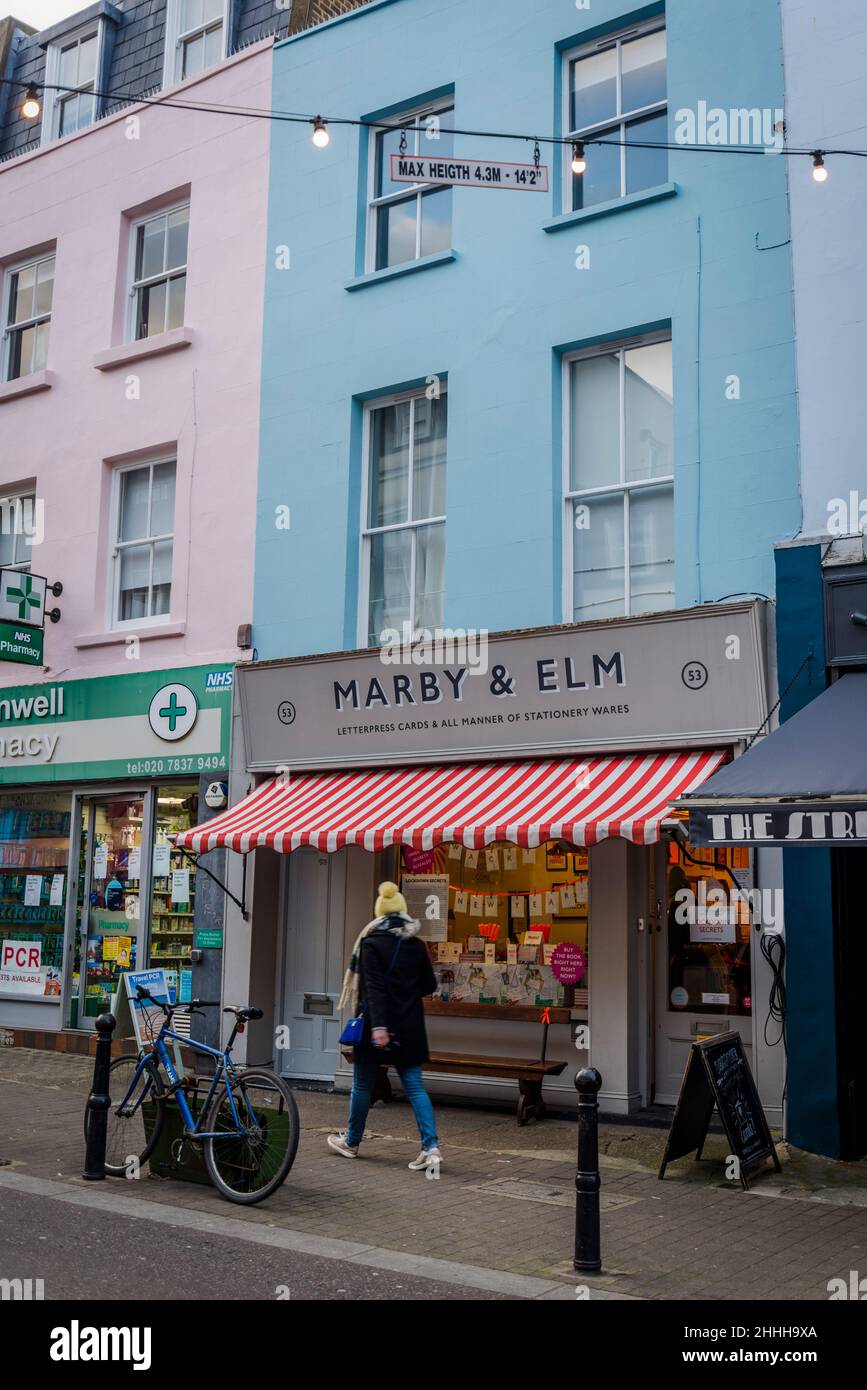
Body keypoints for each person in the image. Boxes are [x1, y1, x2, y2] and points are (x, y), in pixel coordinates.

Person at [328, 881, 441, 1171]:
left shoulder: (370, 943)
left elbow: (373, 988)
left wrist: (379, 1027)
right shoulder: (416, 944)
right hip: (410, 1024)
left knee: (363, 1084)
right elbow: (429, 984)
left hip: (377, 1025)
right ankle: (431, 1148)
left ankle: (351, 1142)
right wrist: (406, 988)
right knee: (415, 1086)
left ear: (379, 914)